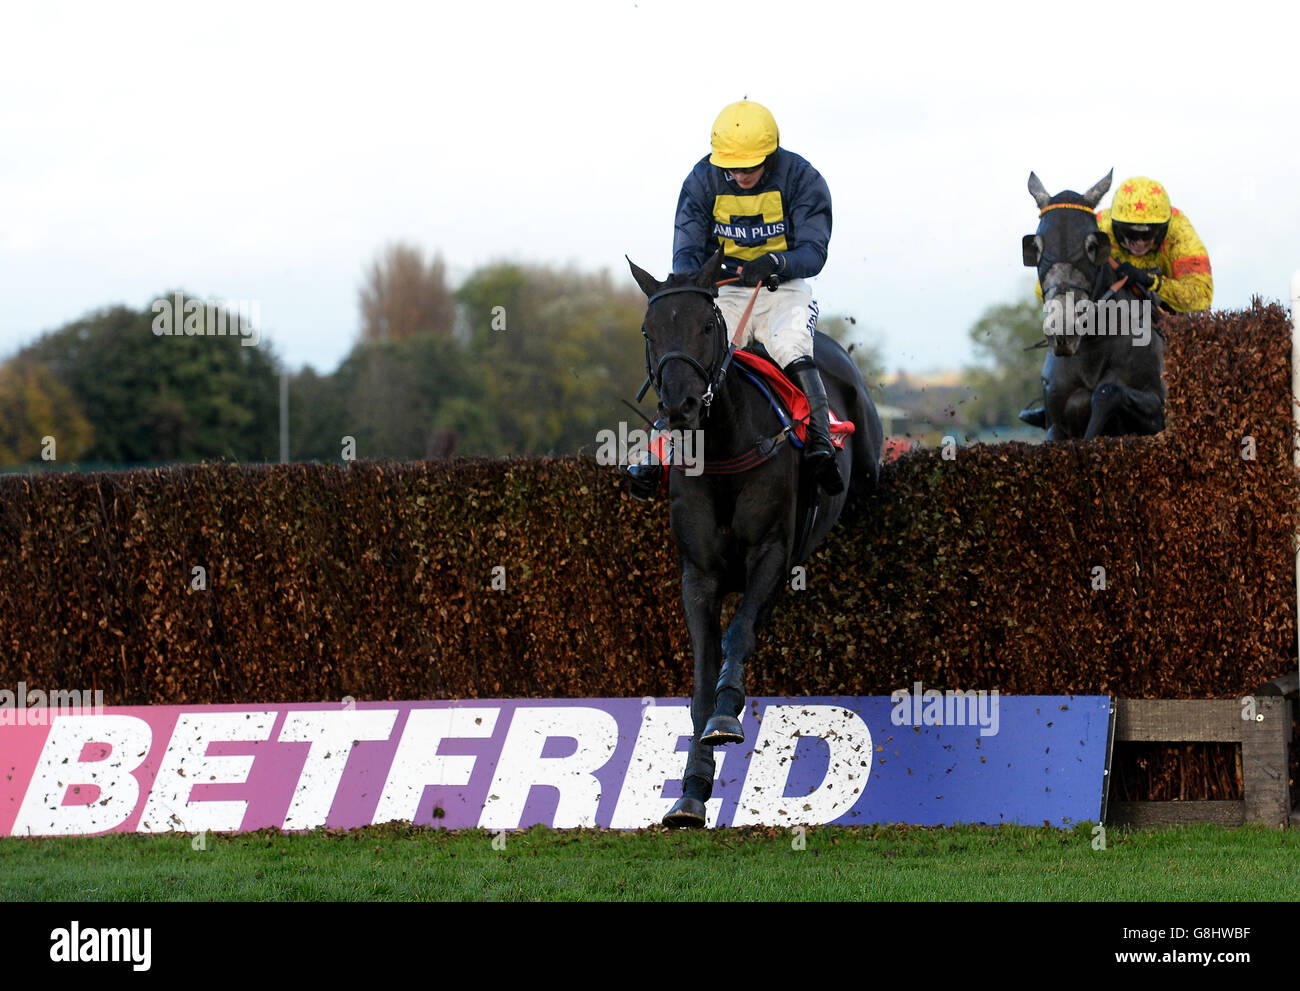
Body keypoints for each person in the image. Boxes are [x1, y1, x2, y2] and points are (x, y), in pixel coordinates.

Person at [626, 99, 840, 499]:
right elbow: (686, 254)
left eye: (750, 166)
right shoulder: (701, 181)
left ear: (770, 155)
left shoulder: (803, 179)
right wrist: (700, 286)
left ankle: (821, 441)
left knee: (790, 344)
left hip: (783, 289)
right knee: (693, 354)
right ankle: (654, 452)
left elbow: (815, 252)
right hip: (724, 292)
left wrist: (776, 261)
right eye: (732, 167)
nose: (740, 175)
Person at [1020, 175, 1212, 428]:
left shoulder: (1180, 232)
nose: (1140, 243)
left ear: (1165, 227)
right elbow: (1042, 289)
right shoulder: (1097, 227)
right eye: (1130, 234)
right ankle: (1053, 402)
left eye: (1150, 235)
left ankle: (1196, 402)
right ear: (1114, 225)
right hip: (1110, 316)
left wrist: (1154, 282)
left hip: (1167, 310)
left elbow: (1200, 296)